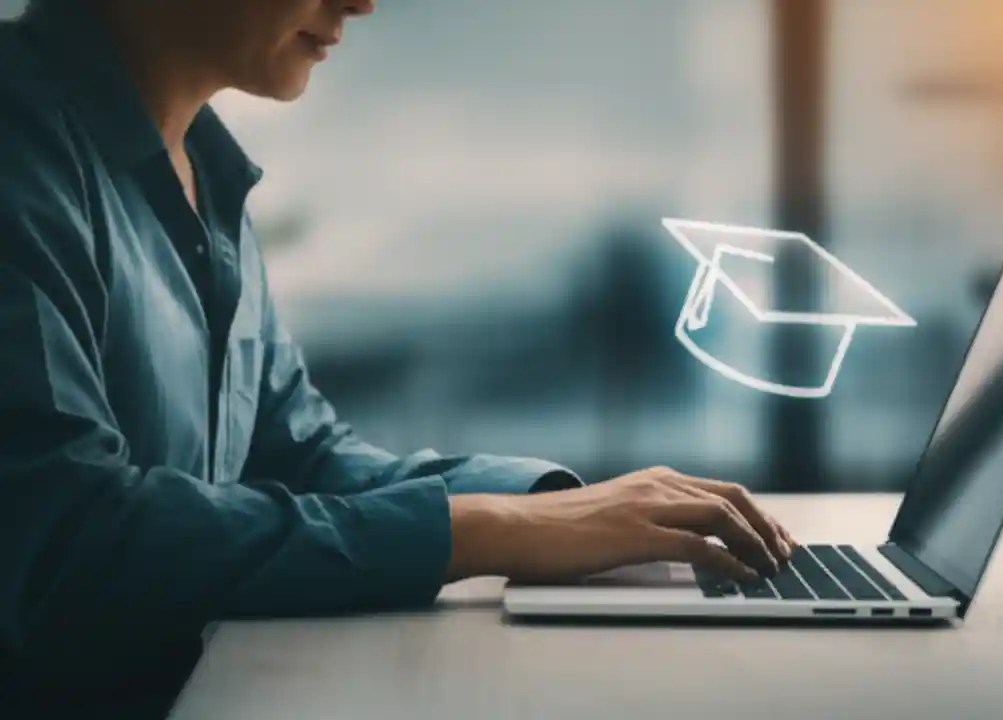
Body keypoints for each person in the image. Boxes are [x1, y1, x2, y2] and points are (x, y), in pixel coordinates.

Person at [0, 0, 796, 715]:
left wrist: (556, 506)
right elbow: (71, 543)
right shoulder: (18, 144)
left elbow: (297, 453)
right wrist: (485, 529)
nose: (362, 2)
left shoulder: (207, 172)